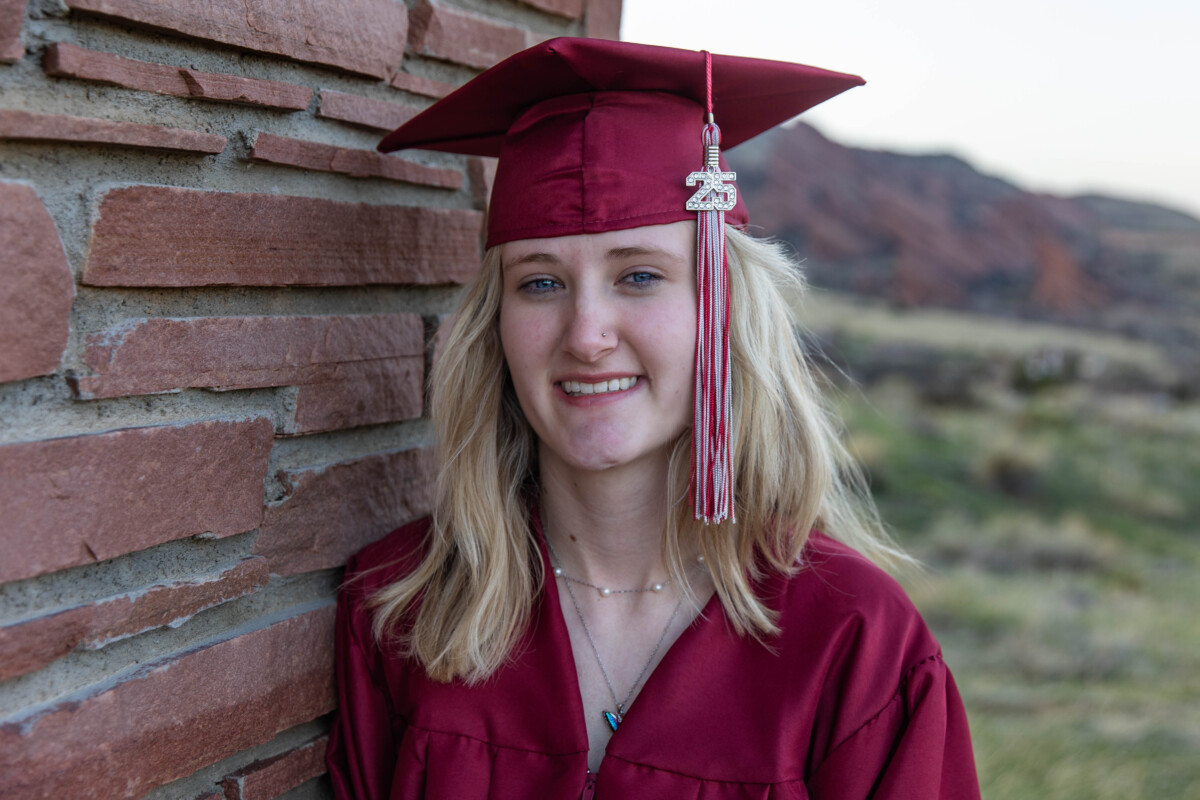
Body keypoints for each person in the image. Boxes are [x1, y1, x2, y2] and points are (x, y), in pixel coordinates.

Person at [326, 37, 981, 799]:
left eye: (639, 276)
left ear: (723, 312)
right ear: (493, 326)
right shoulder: (403, 609)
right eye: (540, 283)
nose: (586, 335)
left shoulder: (854, 639)